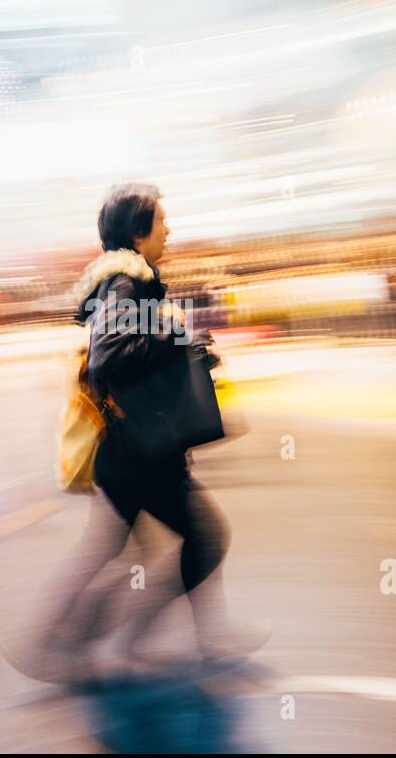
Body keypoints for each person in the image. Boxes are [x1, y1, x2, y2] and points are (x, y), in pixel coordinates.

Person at [36, 182, 270, 679]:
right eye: (162, 220)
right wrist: (175, 338)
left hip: (132, 450)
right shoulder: (126, 281)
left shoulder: (125, 281)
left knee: (124, 549)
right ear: (138, 232)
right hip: (139, 453)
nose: (169, 229)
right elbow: (110, 357)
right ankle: (119, 638)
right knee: (205, 538)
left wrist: (186, 347)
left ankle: (64, 641)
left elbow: (134, 349)